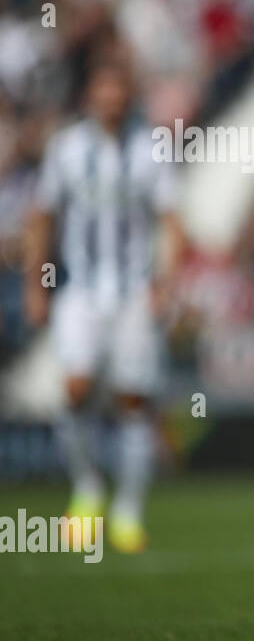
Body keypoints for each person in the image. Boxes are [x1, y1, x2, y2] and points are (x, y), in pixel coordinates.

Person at [24, 57, 183, 553]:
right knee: (74, 387)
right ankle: (88, 489)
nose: (112, 97)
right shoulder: (68, 149)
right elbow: (42, 216)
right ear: (92, 94)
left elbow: (171, 220)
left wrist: (164, 281)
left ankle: (128, 512)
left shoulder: (149, 149)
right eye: (104, 87)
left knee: (133, 399)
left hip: (133, 291)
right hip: (82, 290)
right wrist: (36, 284)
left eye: (119, 87)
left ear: (127, 93)